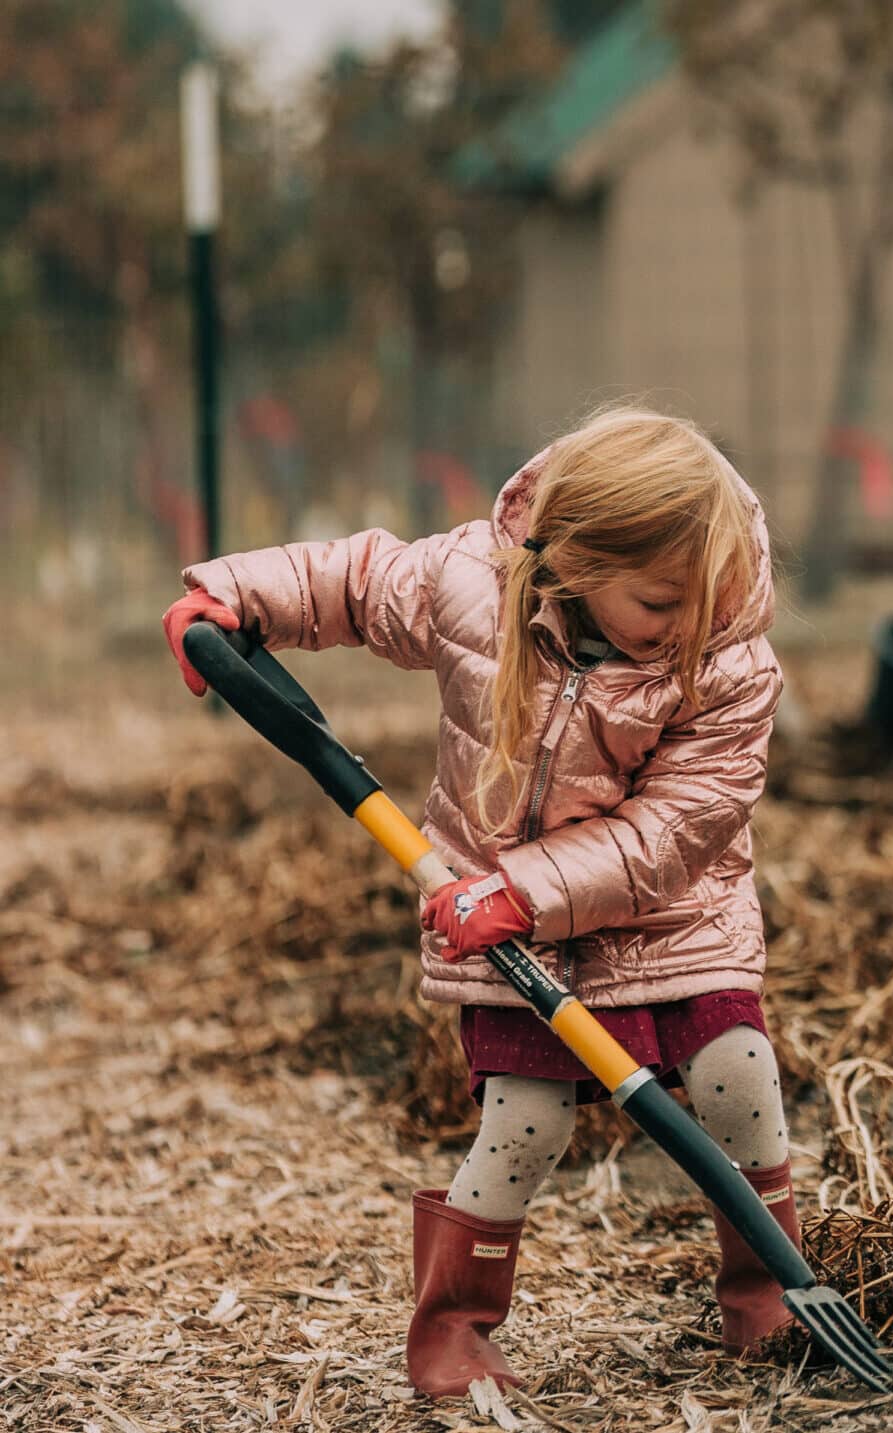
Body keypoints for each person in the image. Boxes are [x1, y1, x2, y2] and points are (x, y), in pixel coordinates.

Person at [160, 407, 793, 1395]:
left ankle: (770, 1290)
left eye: (706, 594)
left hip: (671, 919)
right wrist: (232, 595)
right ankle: (451, 1326)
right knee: (525, 1123)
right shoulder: (475, 586)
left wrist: (524, 890)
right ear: (577, 560)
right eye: (665, 600)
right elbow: (361, 582)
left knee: (737, 1077)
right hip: (509, 935)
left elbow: (677, 830)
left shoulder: (727, 661)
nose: (690, 623)